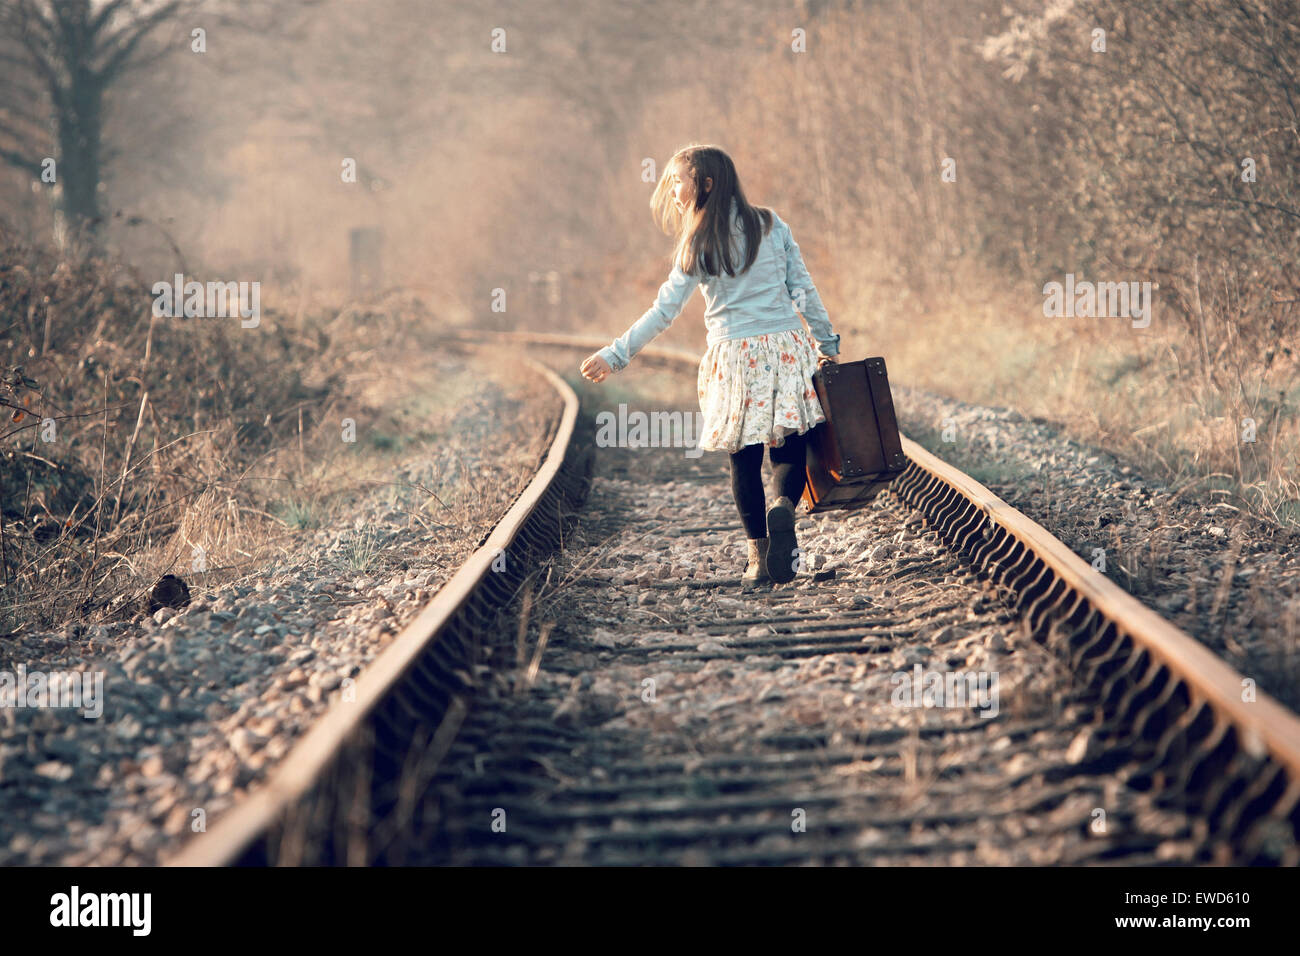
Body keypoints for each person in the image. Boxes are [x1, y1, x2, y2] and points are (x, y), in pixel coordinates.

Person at [580, 144, 840, 587]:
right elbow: (803, 289)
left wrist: (615, 354)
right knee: (789, 446)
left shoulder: (697, 241)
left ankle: (759, 559)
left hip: (734, 357)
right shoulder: (771, 224)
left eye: (676, 181)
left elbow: (663, 312)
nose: (672, 191)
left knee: (743, 459)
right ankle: (783, 507)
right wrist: (826, 341)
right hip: (785, 347)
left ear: (706, 183)